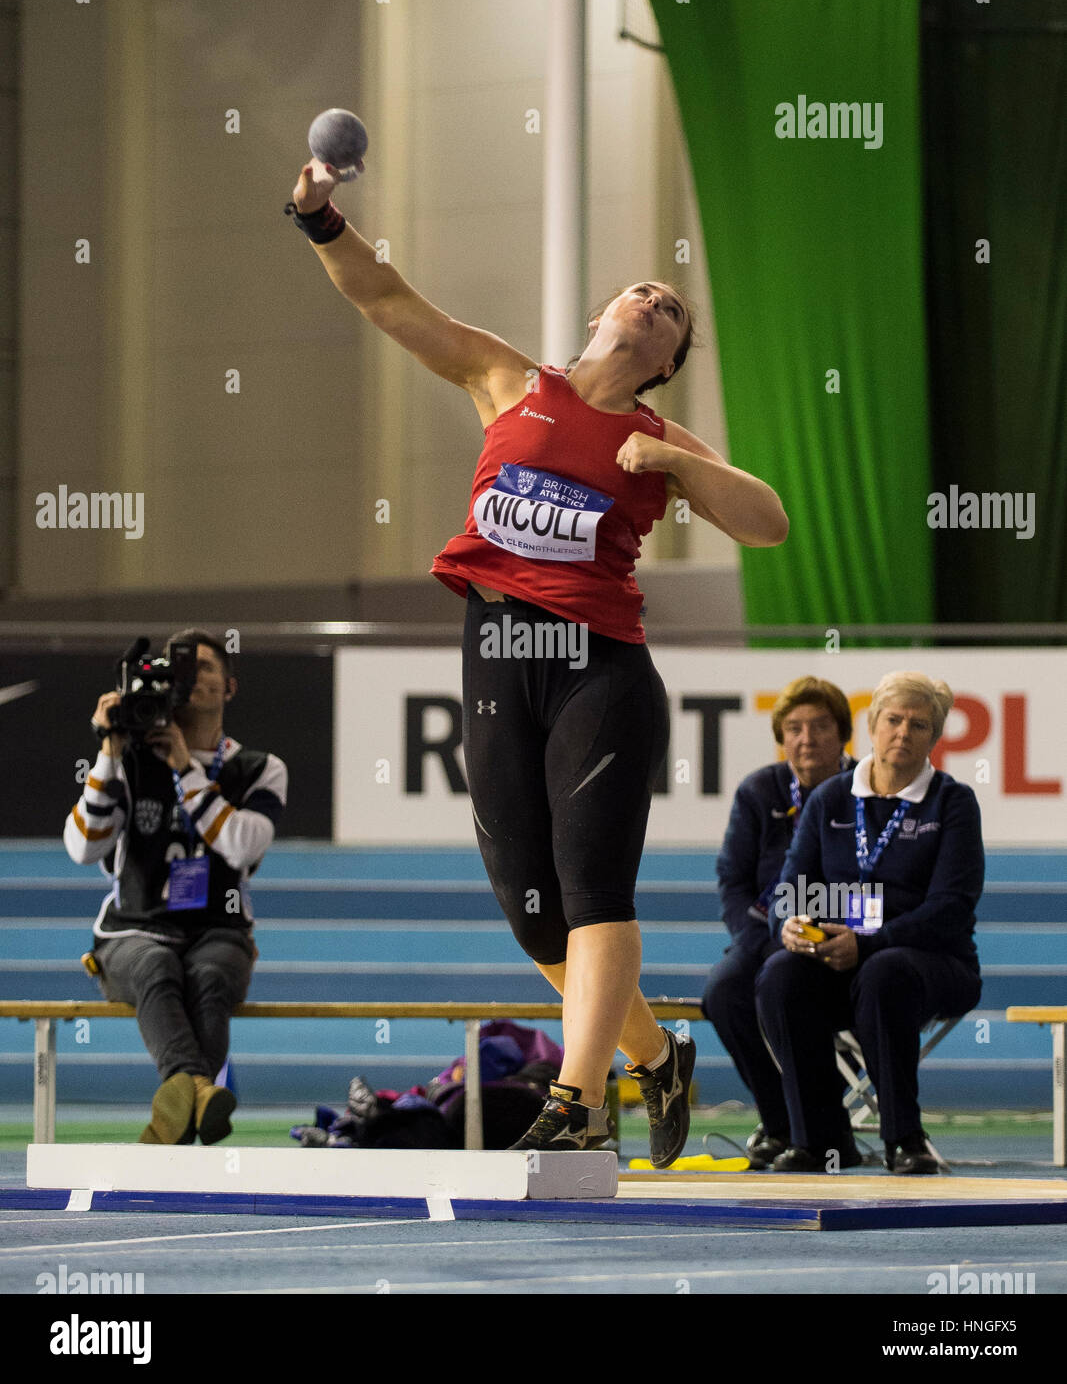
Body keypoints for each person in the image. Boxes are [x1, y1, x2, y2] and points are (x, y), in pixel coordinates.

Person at [287, 160, 788, 1163]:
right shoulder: (506, 381)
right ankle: (657, 1054)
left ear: (666, 359)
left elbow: (766, 522)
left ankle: (578, 1099)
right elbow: (386, 298)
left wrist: (682, 466)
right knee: (531, 912)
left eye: (672, 312)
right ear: (606, 313)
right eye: (642, 291)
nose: (653, 301)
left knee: (592, 885)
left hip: (598, 666)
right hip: (494, 648)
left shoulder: (652, 434)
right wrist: (316, 217)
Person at [64, 629, 287, 1145]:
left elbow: (241, 845)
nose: (191, 678)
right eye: (179, 669)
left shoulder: (258, 768)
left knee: (210, 975)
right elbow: (82, 848)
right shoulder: (130, 758)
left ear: (229, 687)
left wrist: (186, 769)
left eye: (204, 667)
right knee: (156, 965)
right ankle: (201, 1092)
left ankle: (178, 1109)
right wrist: (107, 756)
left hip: (219, 929)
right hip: (132, 932)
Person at [756, 672, 983, 1174]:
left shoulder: (953, 803)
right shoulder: (832, 799)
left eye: (918, 725)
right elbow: (787, 890)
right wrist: (788, 925)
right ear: (872, 725)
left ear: (935, 737)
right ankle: (818, 1138)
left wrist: (870, 942)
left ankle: (904, 1137)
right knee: (779, 975)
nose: (903, 733)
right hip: (840, 960)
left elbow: (951, 907)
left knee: (885, 973)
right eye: (893, 720)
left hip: (932, 964)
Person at [702, 676, 854, 1168]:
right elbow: (732, 878)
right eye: (794, 728)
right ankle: (781, 1120)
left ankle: (815, 1127)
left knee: (782, 984)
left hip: (838, 939)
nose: (806, 738)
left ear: (844, 733)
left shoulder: (864, 790)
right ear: (781, 737)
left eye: (819, 726)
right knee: (724, 991)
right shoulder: (759, 790)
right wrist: (761, 938)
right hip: (770, 936)